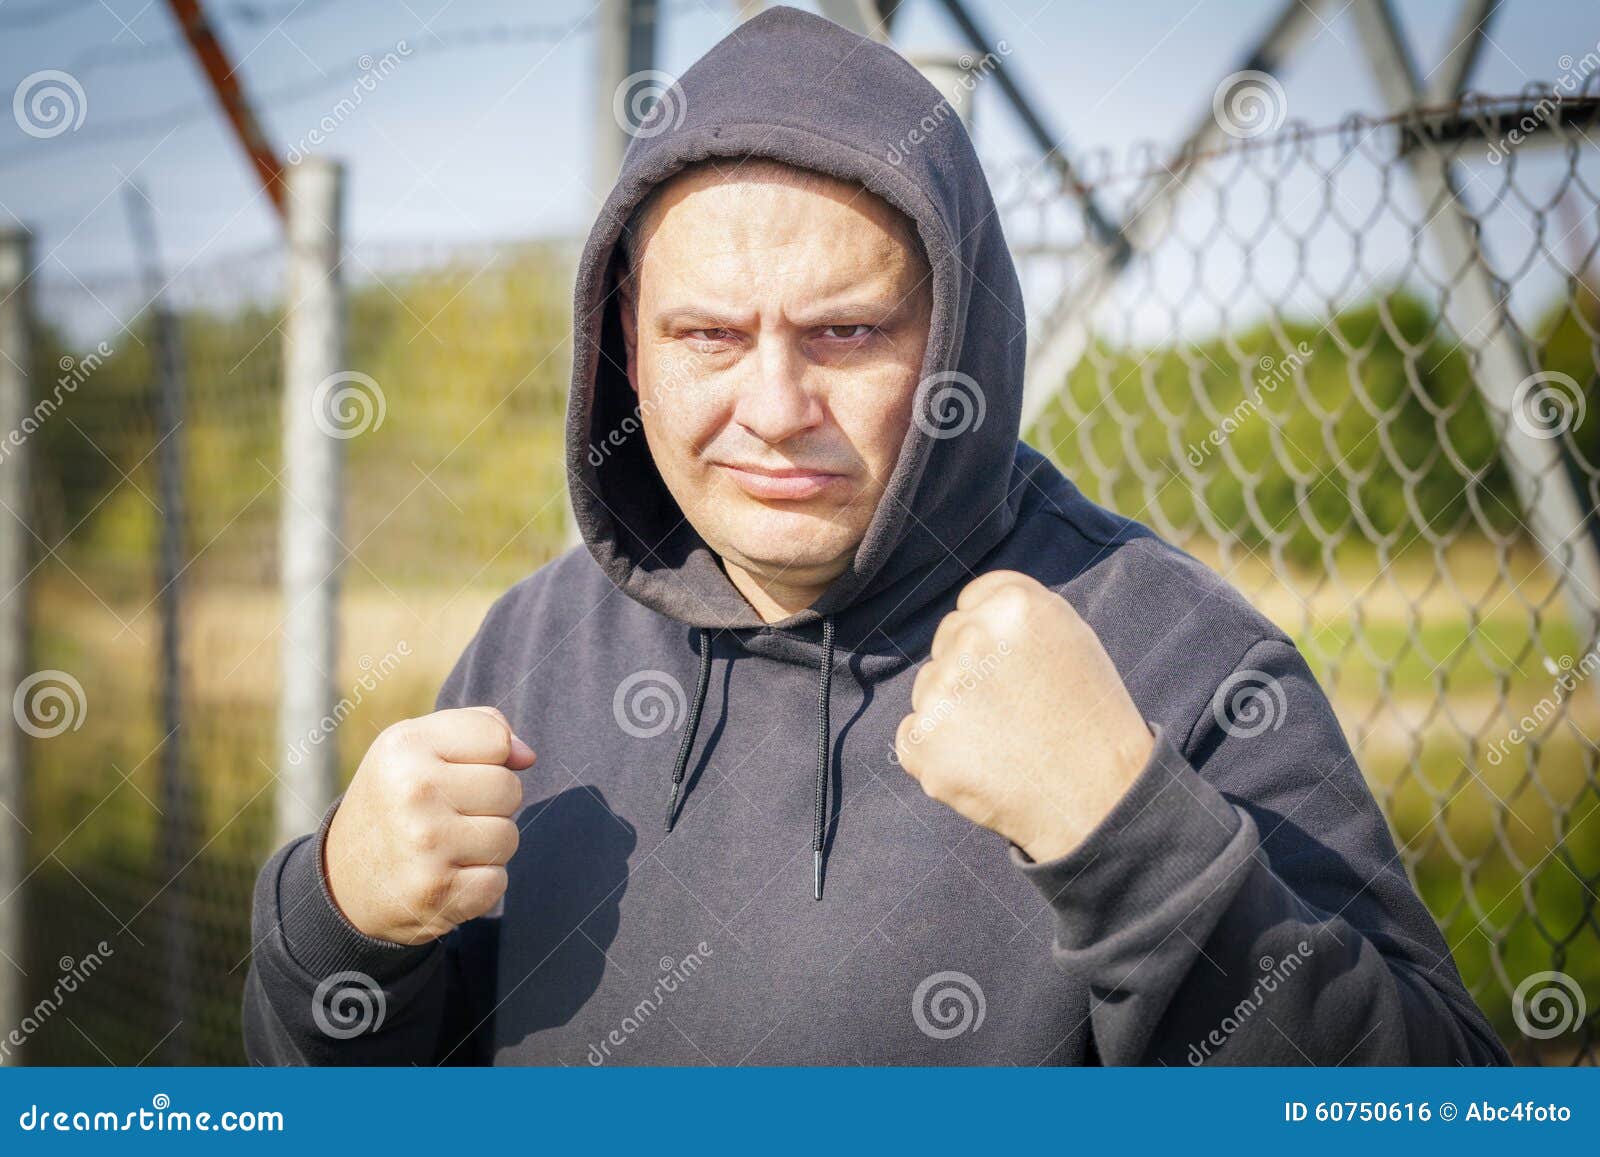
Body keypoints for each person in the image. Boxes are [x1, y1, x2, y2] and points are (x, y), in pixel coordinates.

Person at [244, 6, 1507, 1066]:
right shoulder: (533, 648)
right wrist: (334, 927)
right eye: (706, 337)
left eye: (846, 333)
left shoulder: (1174, 661)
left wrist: (1130, 838)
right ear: (627, 344)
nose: (777, 409)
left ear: (959, 333)